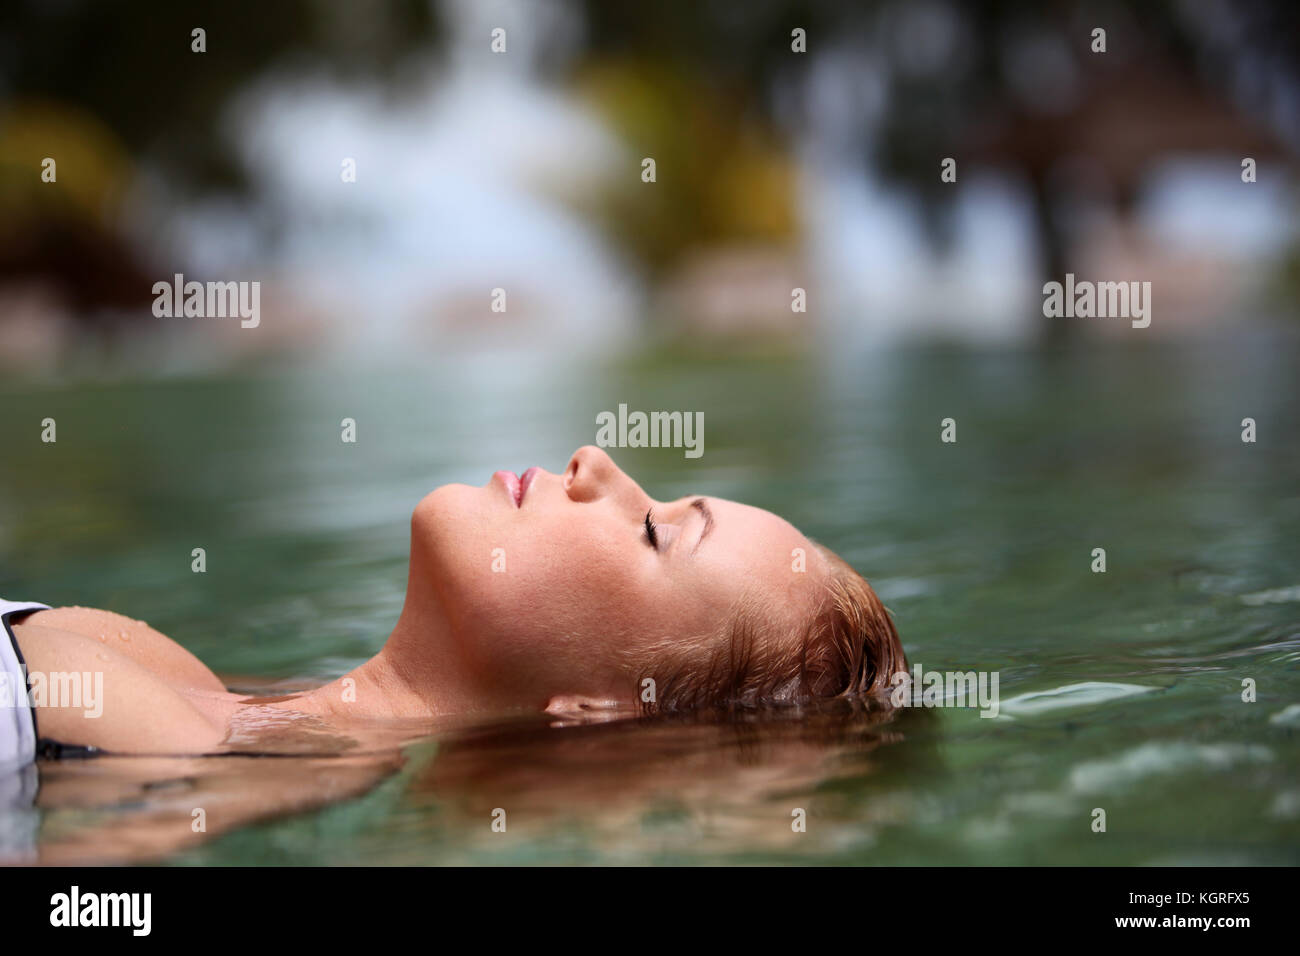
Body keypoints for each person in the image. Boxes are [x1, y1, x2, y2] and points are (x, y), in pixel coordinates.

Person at [1, 446, 904, 761]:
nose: (597, 463)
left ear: (598, 711)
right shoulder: (189, 692)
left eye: (654, 532)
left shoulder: (153, 757)